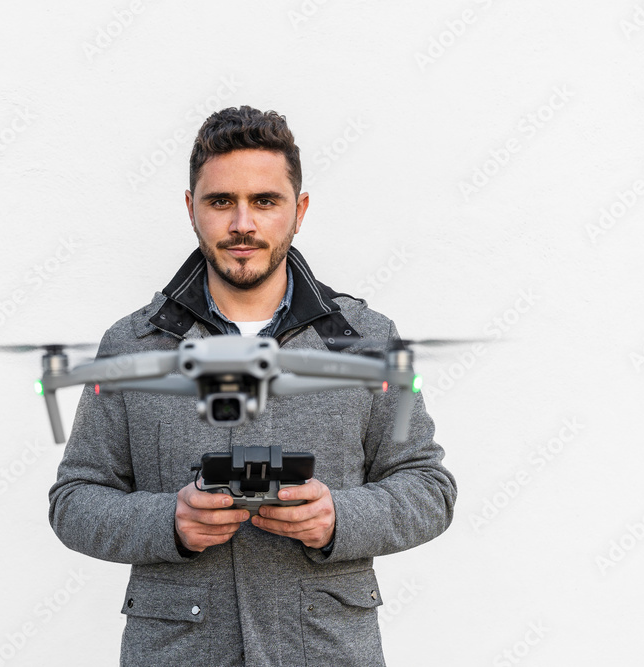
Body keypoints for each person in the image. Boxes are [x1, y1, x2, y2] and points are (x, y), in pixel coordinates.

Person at [48, 105, 456, 666]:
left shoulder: (369, 339)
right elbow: (75, 501)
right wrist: (170, 522)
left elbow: (428, 487)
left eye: (265, 201)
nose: (243, 223)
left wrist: (339, 517)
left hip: (327, 649)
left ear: (299, 210)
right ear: (192, 209)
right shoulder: (132, 344)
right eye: (221, 202)